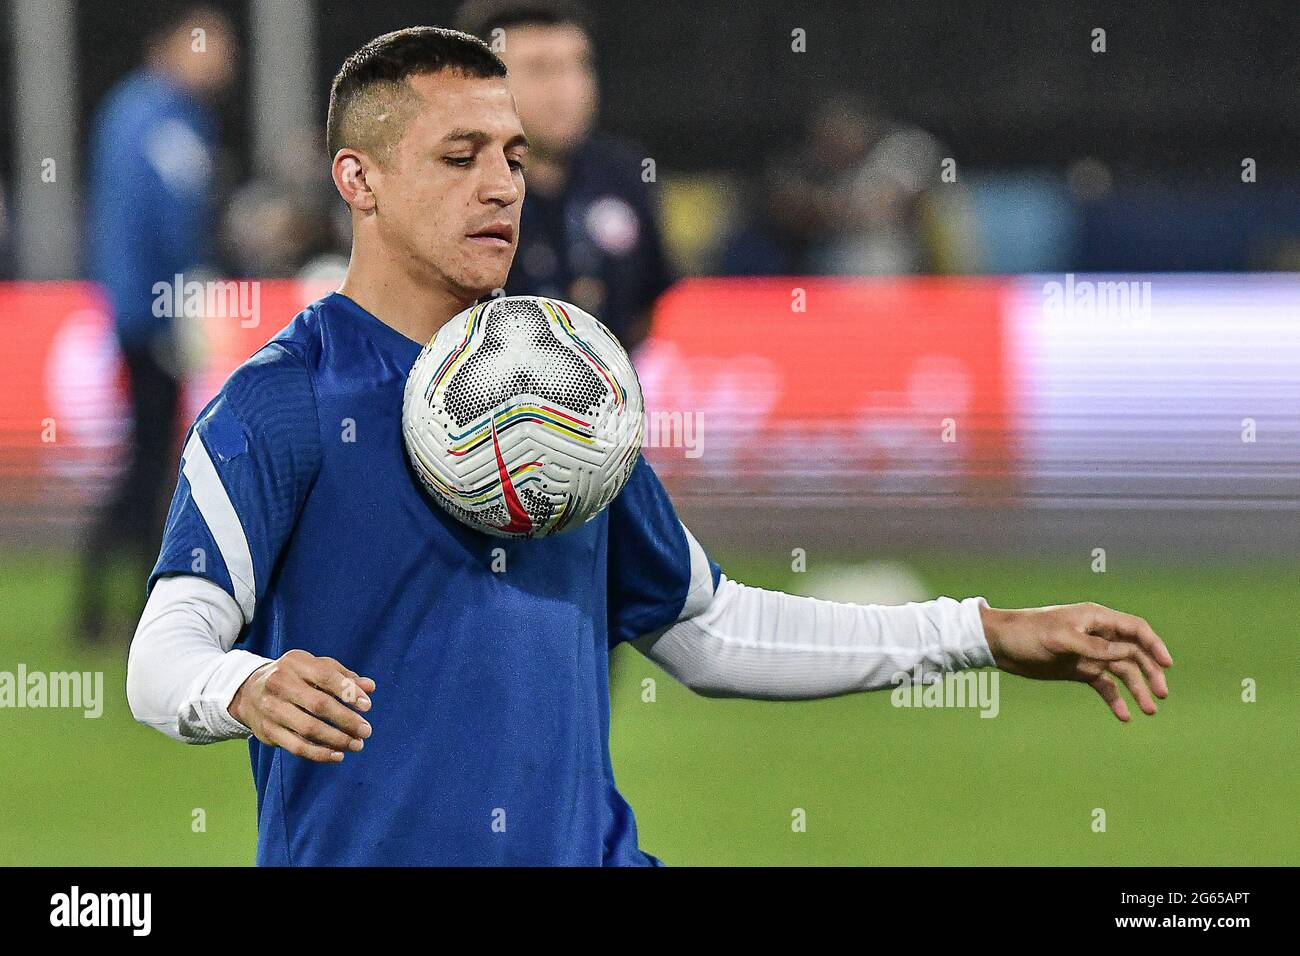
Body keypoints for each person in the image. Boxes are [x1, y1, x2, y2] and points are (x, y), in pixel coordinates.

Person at [126, 27, 1172, 867]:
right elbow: (161, 656)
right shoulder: (281, 403)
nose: (502, 185)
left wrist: (980, 630)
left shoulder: (569, 387)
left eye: (513, 156)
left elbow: (706, 628)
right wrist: (242, 687)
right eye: (460, 157)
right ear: (357, 179)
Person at [78, 4, 236, 643]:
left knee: (145, 456)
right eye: (212, 43)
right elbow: (163, 223)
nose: (223, 58)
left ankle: (105, 608)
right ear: (176, 42)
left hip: (141, 308)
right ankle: (126, 607)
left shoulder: (140, 112)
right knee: (147, 459)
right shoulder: (159, 117)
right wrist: (177, 306)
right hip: (150, 313)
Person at [455, 0, 672, 353]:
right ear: (483, 84)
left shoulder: (623, 172)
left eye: (579, 65)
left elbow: (655, 300)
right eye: (541, 69)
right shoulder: (454, 183)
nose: (568, 87)